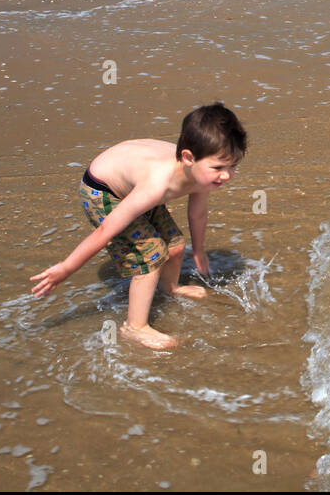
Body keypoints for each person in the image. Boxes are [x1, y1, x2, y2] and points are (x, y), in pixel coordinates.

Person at [31, 105, 245, 350]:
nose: (226, 176)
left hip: (131, 179)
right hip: (103, 191)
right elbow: (106, 230)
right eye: (218, 168)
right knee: (150, 256)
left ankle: (171, 287)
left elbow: (197, 213)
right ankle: (134, 327)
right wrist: (66, 269)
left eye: (232, 166)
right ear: (188, 158)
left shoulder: (200, 173)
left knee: (175, 245)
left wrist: (198, 250)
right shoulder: (157, 185)